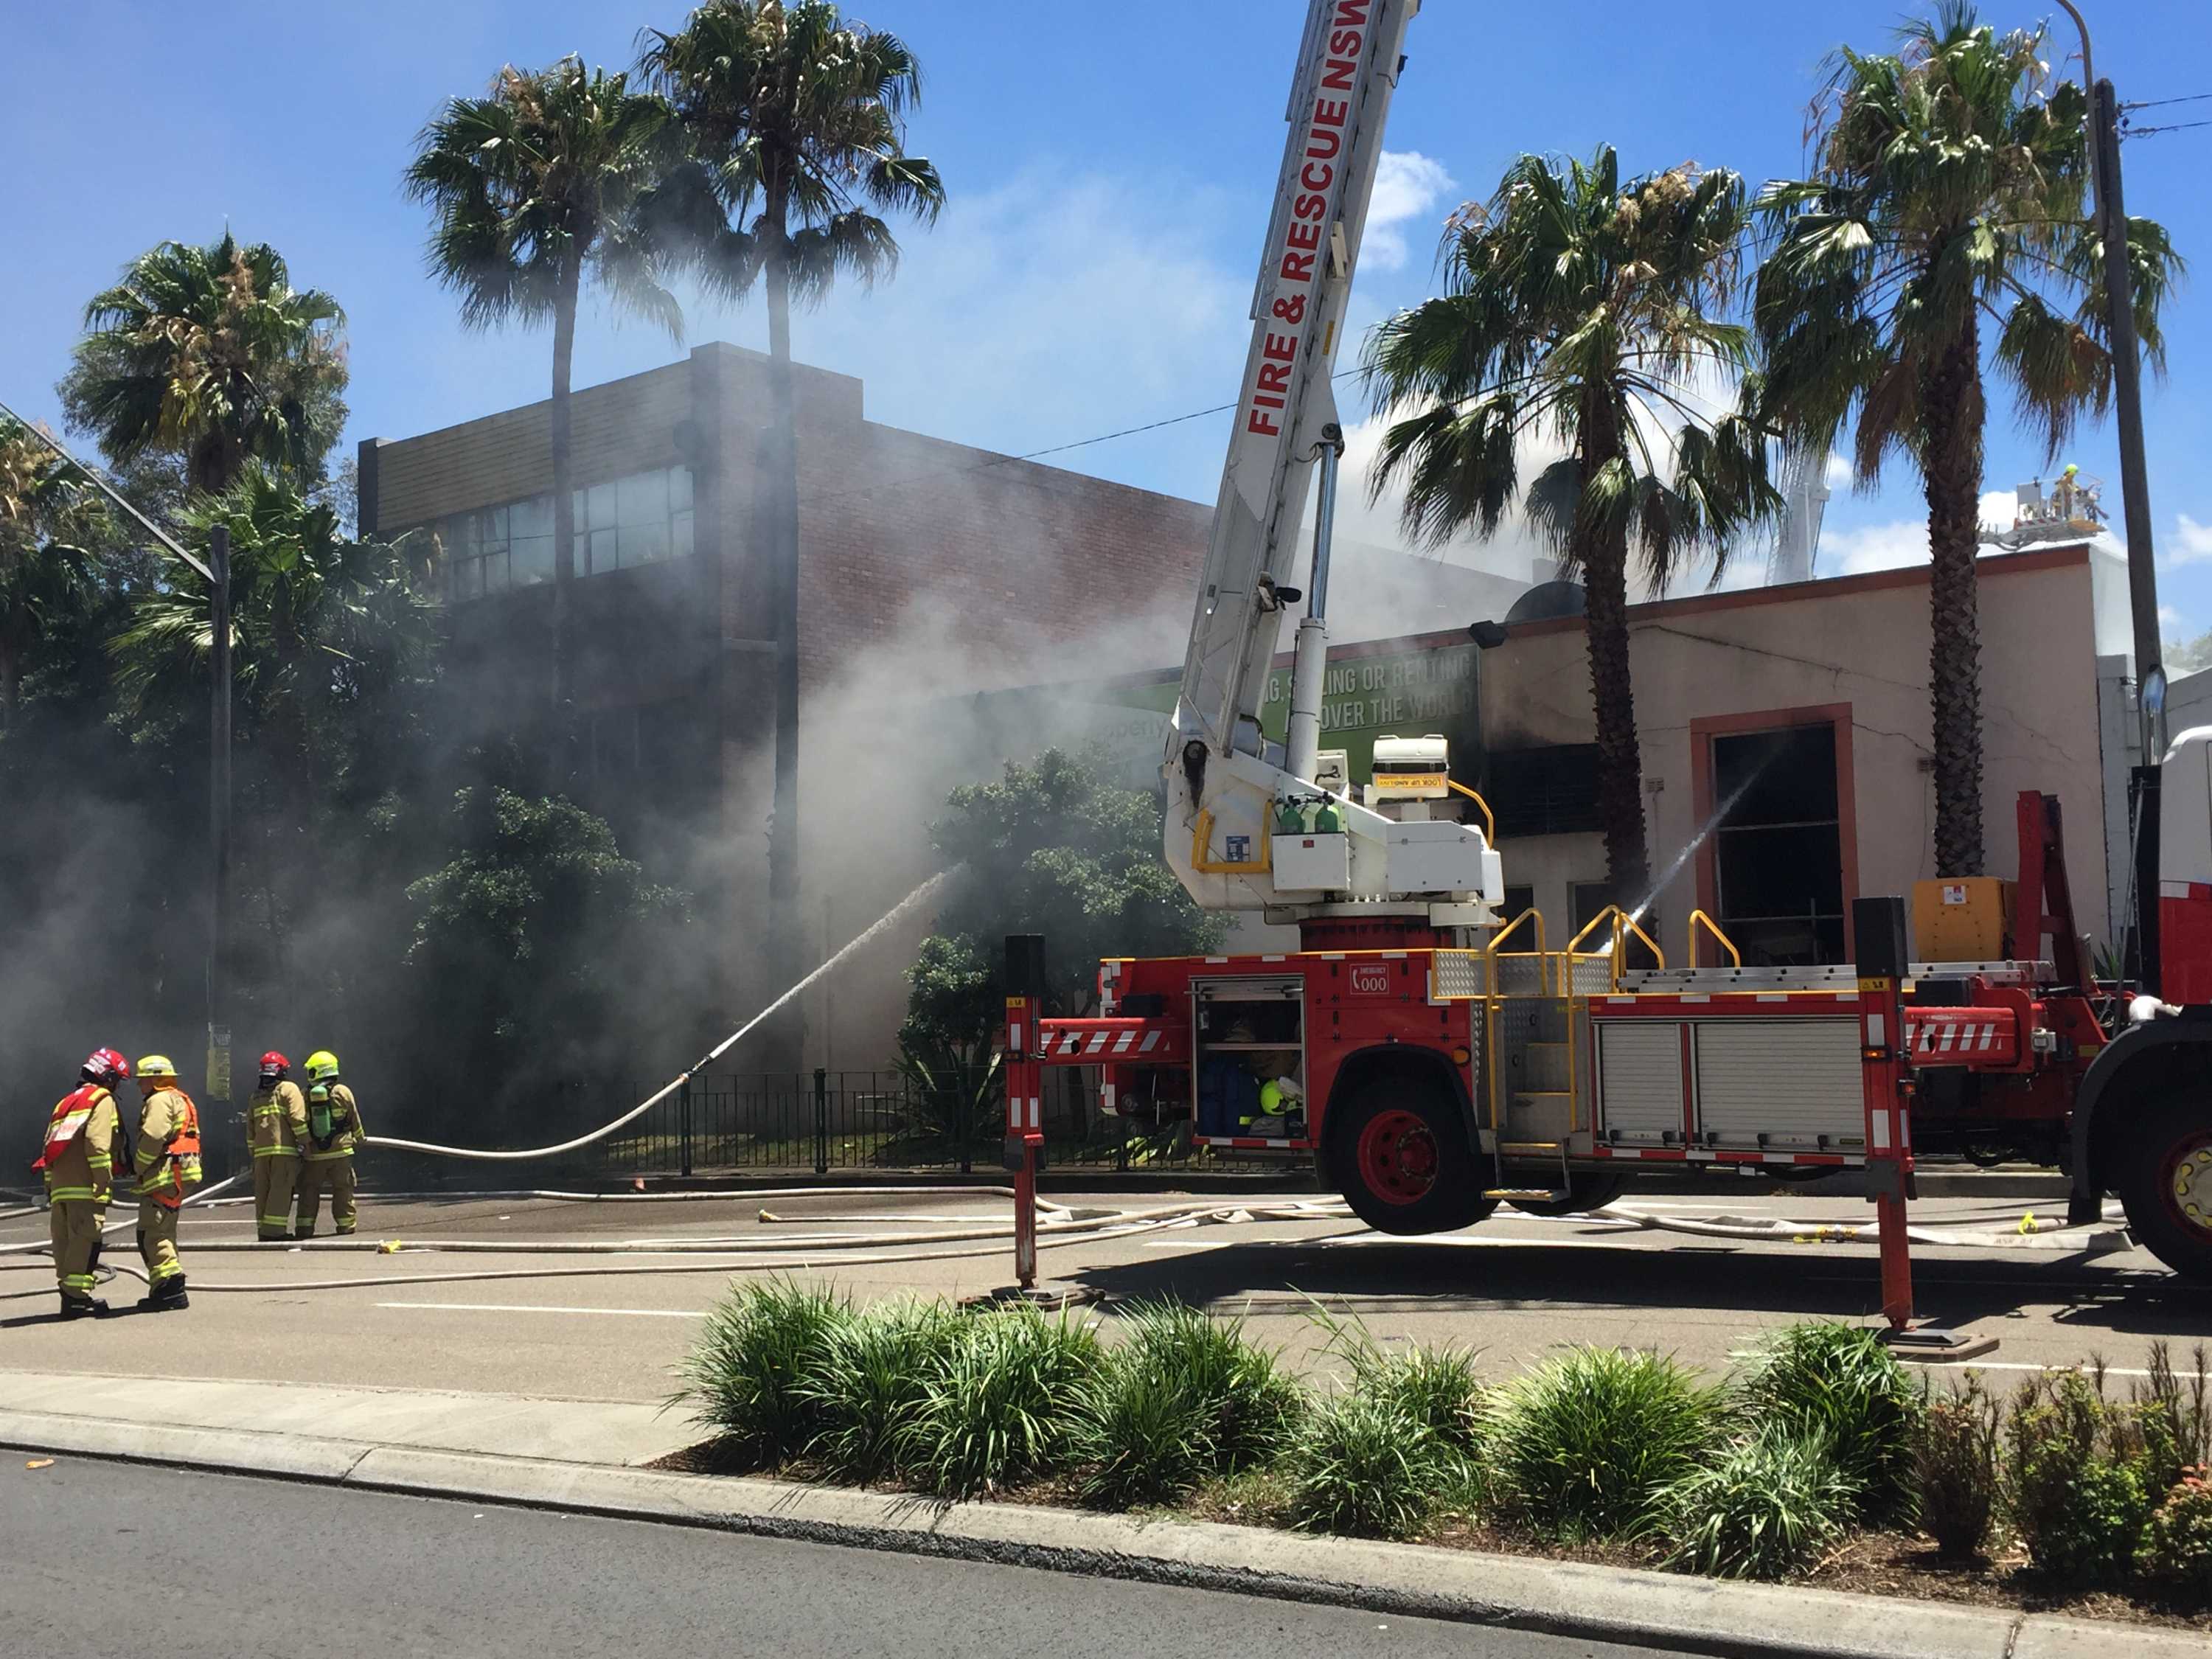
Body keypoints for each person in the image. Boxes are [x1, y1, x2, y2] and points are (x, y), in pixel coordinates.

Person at [31, 1049, 129, 1318]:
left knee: (63, 1243)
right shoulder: (101, 1099)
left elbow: (49, 1148)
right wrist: (102, 1181)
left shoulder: (65, 1103)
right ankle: (77, 1299)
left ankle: (70, 1296)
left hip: (61, 1187)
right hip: (85, 1186)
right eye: (117, 1079)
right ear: (107, 1076)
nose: (117, 1086)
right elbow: (97, 1143)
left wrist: (50, 1186)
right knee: (85, 1241)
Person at [129, 1054, 202, 1311]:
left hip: (166, 1172)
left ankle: (170, 1288)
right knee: (165, 1230)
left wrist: (137, 1166)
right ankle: (165, 1289)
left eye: (143, 1080)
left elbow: (153, 1135)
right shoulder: (179, 1098)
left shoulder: (160, 1100)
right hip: (180, 1172)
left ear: (155, 1078)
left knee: (152, 1232)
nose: (139, 1086)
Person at [293, 1050, 364, 1239]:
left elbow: (299, 1122)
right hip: (341, 1152)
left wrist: (304, 1145)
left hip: (314, 1155)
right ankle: (346, 1226)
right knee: (343, 1190)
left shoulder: (304, 1095)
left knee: (309, 1190)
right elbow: (354, 1119)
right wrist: (360, 1139)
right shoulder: (343, 1092)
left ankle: (304, 1229)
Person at [246, 1051, 308, 1242]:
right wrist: (306, 1142)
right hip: (284, 1151)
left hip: (260, 1154)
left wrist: (253, 1153)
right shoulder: (289, 1089)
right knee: (280, 1191)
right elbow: (297, 1119)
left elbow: (250, 1128)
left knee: (263, 1192)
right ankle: (274, 1233)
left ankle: (263, 1230)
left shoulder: (256, 1096)